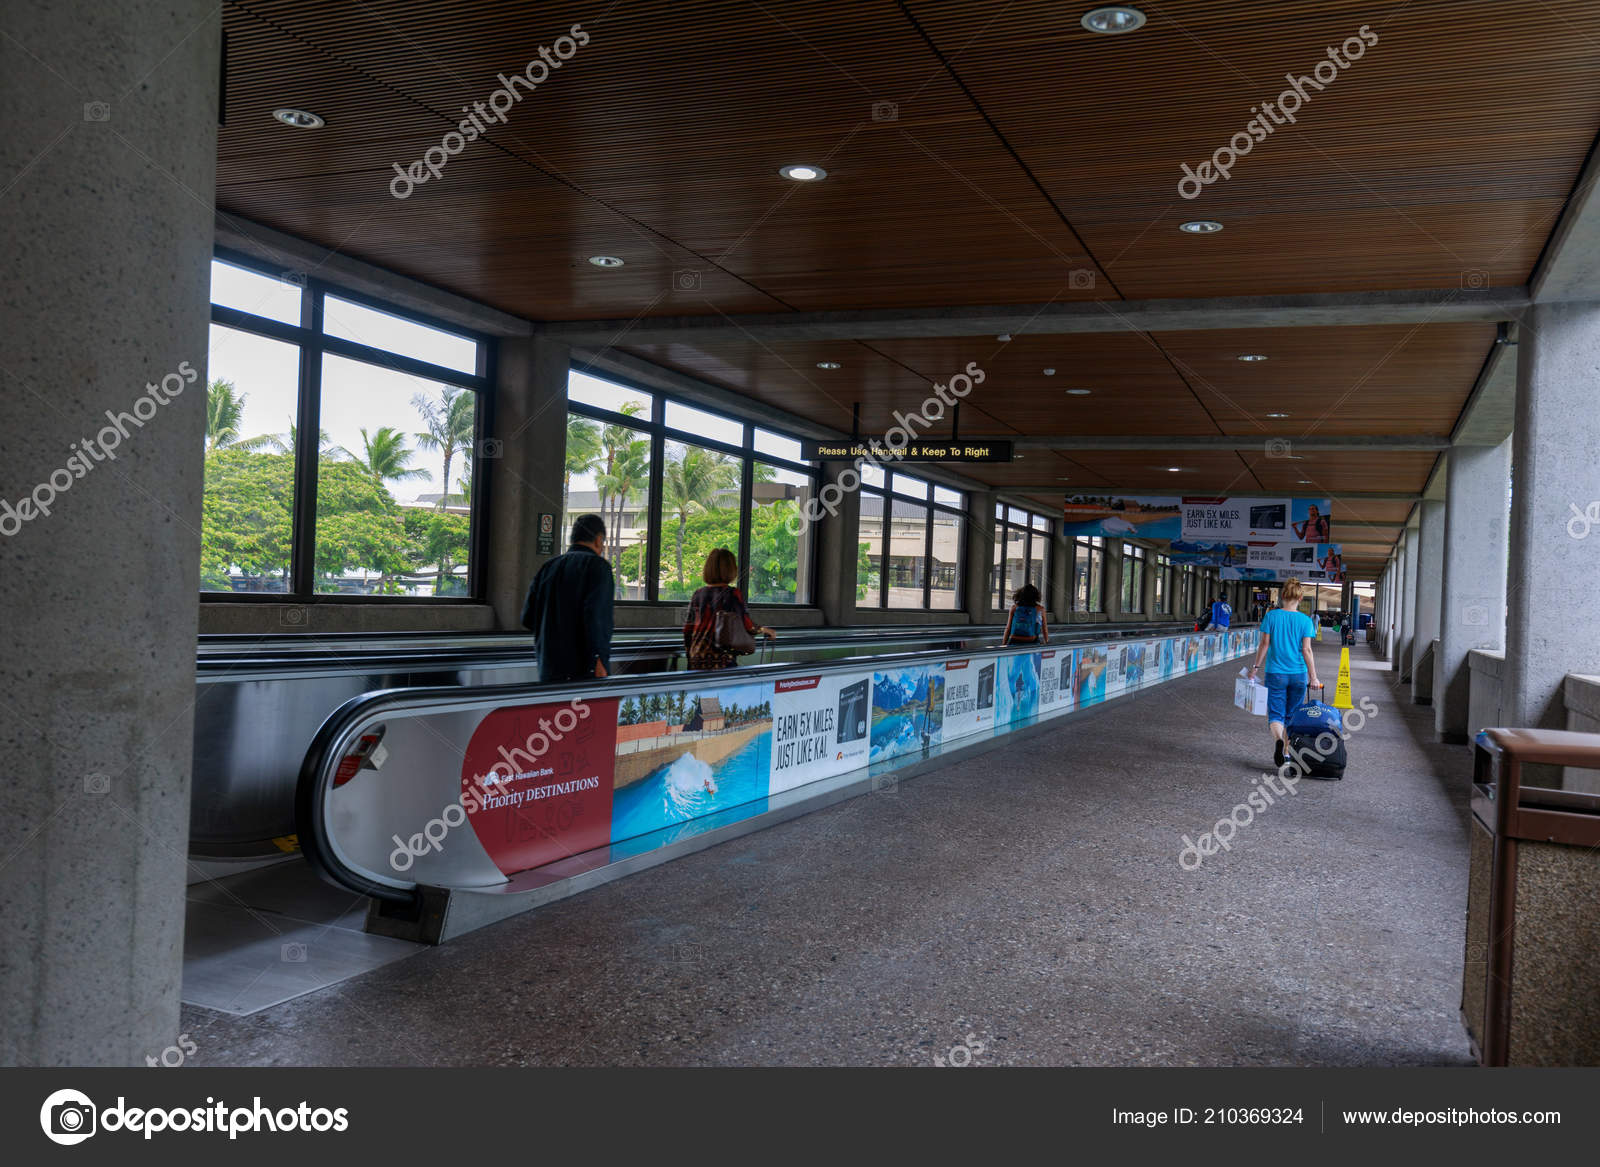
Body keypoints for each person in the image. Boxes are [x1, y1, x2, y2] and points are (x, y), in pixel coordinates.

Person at [521, 513, 614, 683]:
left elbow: (527, 618)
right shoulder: (598, 567)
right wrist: (599, 660)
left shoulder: (548, 567)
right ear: (599, 540)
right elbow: (596, 617)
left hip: (548, 669)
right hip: (584, 671)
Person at [1248, 577, 1323, 768]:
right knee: (1292, 715)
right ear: (1300, 598)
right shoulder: (1306, 621)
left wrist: (1255, 667)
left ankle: (1278, 741)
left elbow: (1264, 644)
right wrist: (1313, 677)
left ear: (1282, 596)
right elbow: (1307, 650)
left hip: (1276, 673)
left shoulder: (1271, 616)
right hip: (1298, 674)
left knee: (1275, 713)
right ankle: (1288, 754)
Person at [683, 547, 775, 671]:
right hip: (721, 658)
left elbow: (688, 630)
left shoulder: (698, 594)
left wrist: (690, 657)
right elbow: (746, 624)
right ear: (730, 569)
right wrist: (764, 630)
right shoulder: (732, 594)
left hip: (697, 657)